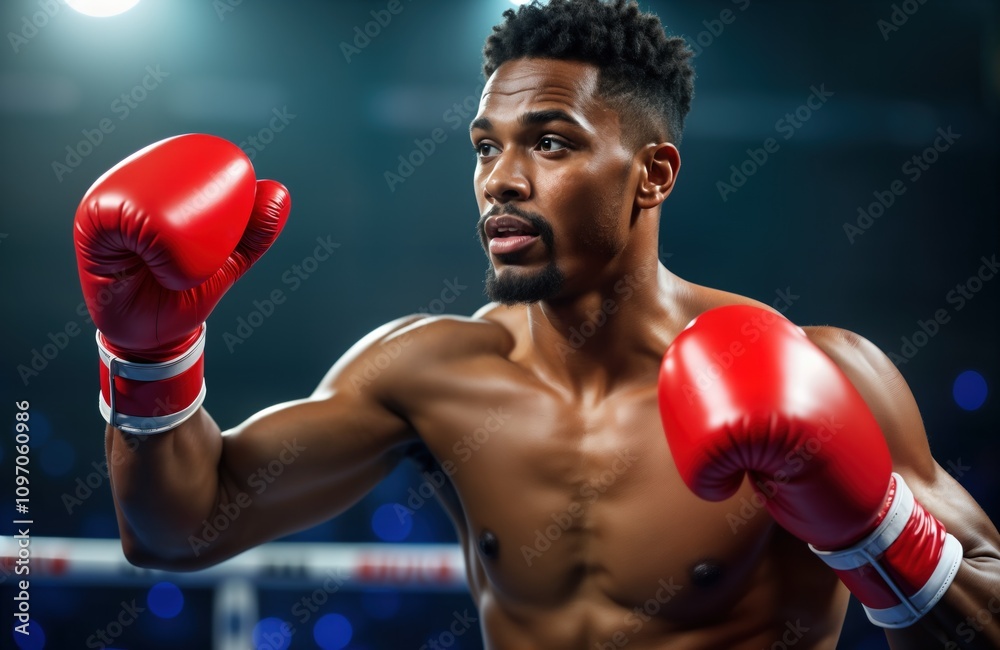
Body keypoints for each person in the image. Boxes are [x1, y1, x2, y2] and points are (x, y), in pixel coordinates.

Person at [73, 0, 1000, 647]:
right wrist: (150, 354)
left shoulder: (817, 371)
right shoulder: (430, 372)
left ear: (652, 174)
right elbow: (178, 529)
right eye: (486, 147)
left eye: (550, 143)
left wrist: (875, 529)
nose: (500, 181)